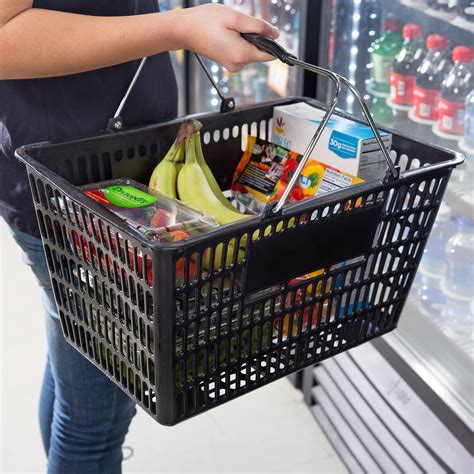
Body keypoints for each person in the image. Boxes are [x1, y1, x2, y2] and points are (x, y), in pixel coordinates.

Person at [0, 1, 278, 472]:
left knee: (74, 349)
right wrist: (178, 27)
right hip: (72, 197)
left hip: (113, 167)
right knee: (95, 425)